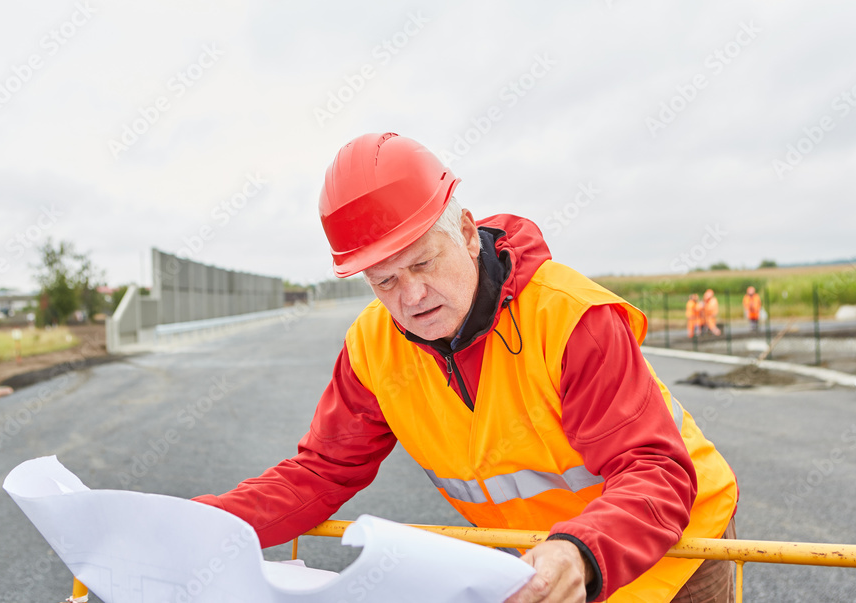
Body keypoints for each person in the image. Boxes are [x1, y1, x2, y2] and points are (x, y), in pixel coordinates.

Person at [192, 133, 739, 602]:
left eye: (423, 262)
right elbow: (320, 473)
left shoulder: (568, 317)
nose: (412, 295)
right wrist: (198, 525)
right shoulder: (373, 346)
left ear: (466, 231)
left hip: (674, 548)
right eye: (384, 281)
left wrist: (581, 552)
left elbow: (655, 469)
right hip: (536, 563)